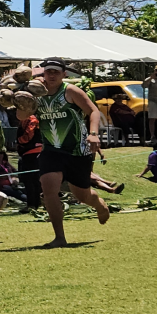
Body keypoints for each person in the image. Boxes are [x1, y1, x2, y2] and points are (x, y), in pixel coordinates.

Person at [15, 58, 109, 248]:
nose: (51, 75)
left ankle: (99, 205)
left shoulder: (71, 91)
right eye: (48, 71)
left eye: (56, 72)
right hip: (51, 150)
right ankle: (59, 237)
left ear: (64, 74)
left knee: (82, 195)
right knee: (49, 189)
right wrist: (24, 99)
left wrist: (93, 134)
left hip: (77, 150)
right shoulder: (35, 93)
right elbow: (21, 116)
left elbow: (93, 111)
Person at [15, 114, 43, 211]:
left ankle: (31, 205)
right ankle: (37, 202)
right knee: (36, 180)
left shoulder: (30, 121)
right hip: (37, 152)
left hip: (31, 153)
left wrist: (19, 142)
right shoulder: (35, 119)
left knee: (29, 180)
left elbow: (27, 137)